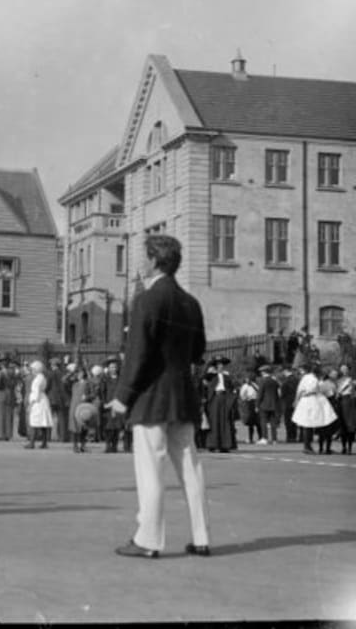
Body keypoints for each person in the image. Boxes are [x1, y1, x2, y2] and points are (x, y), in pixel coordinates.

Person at [106, 234, 210, 559]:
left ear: (153, 260)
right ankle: (201, 537)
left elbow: (137, 353)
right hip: (183, 396)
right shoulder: (190, 303)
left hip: (152, 397)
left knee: (151, 470)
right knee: (191, 468)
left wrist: (122, 396)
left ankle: (148, 539)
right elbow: (198, 352)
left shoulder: (147, 300)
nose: (140, 262)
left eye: (142, 256)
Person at [291, 365, 337, 455]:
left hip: (305, 401)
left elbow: (300, 389)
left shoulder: (306, 377)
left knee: (306, 424)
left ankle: (307, 445)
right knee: (309, 424)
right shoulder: (314, 380)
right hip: (312, 401)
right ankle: (307, 446)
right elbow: (311, 390)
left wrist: (296, 400)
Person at [202, 357, 237, 453]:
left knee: (226, 421)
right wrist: (209, 367)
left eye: (222, 365)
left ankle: (225, 445)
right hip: (215, 399)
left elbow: (232, 387)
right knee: (214, 421)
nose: (221, 366)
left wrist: (232, 398)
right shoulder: (211, 376)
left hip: (225, 398)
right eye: (218, 365)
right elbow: (204, 378)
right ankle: (213, 444)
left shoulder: (227, 376)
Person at [24, 360, 52, 449]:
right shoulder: (42, 377)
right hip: (42, 399)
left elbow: (36, 392)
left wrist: (31, 404)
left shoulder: (38, 379)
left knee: (34, 421)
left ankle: (32, 443)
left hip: (38, 401)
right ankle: (44, 442)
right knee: (43, 422)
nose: (32, 370)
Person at [255, 365, 281, 445]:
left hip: (264, 404)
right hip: (274, 404)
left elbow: (260, 394)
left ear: (263, 372)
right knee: (273, 423)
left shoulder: (263, 381)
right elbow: (278, 393)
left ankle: (264, 438)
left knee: (263, 422)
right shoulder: (274, 381)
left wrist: (257, 405)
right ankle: (274, 439)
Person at [0, 361, 15, 440]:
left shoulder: (0, 373)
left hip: (0, 394)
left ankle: (0, 434)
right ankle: (8, 434)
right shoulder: (12, 372)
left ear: (1, 364)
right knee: (8, 414)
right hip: (9, 394)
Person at [238, 373, 260, 445]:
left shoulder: (255, 385)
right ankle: (250, 438)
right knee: (250, 422)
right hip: (249, 403)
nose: (247, 380)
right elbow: (242, 395)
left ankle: (260, 437)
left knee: (257, 422)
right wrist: (246, 398)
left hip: (255, 402)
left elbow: (259, 392)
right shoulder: (245, 386)